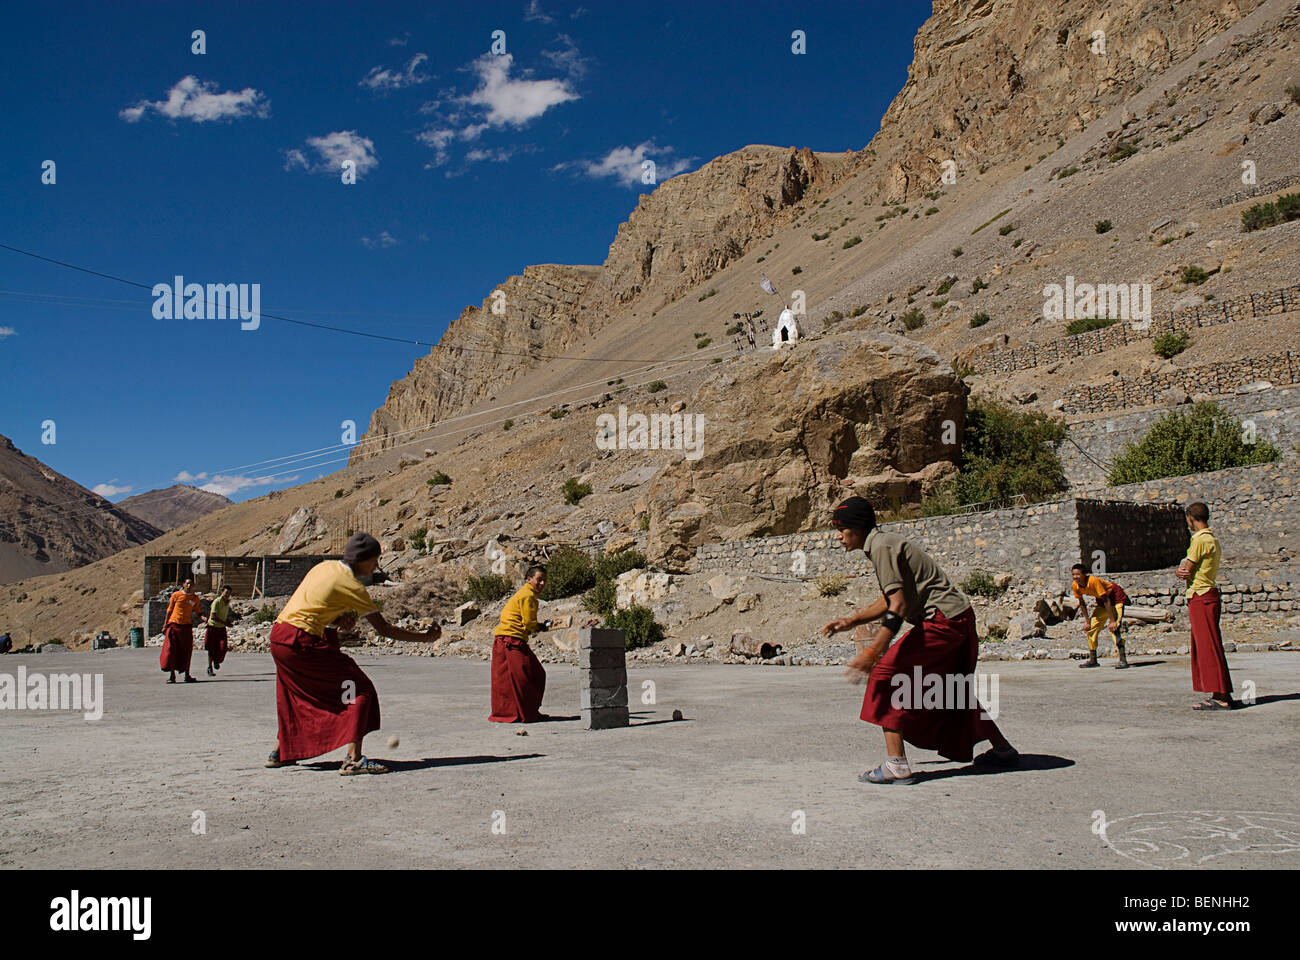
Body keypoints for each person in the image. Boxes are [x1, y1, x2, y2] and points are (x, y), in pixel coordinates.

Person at [822, 497, 1018, 784]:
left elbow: (898, 607)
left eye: (841, 528)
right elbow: (893, 597)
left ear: (857, 527)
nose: (837, 536)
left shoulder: (881, 547)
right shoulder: (882, 544)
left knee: (884, 678)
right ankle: (1003, 750)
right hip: (957, 617)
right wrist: (853, 621)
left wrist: (875, 651)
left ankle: (897, 764)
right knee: (953, 690)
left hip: (943, 621)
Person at [265, 532, 441, 775]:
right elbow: (384, 629)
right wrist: (425, 638)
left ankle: (280, 751)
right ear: (362, 559)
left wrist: (337, 618)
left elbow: (311, 604)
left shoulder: (323, 567)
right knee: (358, 688)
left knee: (295, 694)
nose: (376, 566)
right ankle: (353, 759)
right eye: (375, 560)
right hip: (301, 641)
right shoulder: (353, 586)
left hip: (279, 637)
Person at [1176, 502, 1234, 711]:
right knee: (1209, 645)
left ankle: (1220, 697)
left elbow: (1186, 569)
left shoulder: (1200, 540)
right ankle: (1220, 692)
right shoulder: (1212, 539)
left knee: (1208, 646)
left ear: (1190, 518)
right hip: (1206, 594)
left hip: (1200, 595)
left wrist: (1180, 571)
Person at [489, 565, 553, 723]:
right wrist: (543, 626)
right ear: (529, 579)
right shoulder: (528, 596)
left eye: (544, 580)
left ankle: (520, 712)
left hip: (508, 639)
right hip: (511, 640)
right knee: (531, 675)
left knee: (514, 677)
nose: (542, 583)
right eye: (539, 579)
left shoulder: (525, 594)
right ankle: (524, 713)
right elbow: (529, 624)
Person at [1069, 565, 1130, 669]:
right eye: (1073, 574)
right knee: (1092, 629)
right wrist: (1087, 622)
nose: (1075, 577)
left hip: (1114, 598)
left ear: (1084, 574)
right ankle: (1093, 660)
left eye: (1078, 574)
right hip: (1102, 601)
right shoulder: (1075, 585)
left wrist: (1112, 621)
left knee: (1114, 628)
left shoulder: (1093, 581)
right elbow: (1082, 603)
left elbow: (1107, 599)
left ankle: (1123, 660)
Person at [160, 579, 206, 684]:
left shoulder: (194, 598)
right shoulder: (176, 595)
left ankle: (187, 674)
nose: (189, 585)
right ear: (184, 585)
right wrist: (165, 625)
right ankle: (172, 676)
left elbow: (198, 610)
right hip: (174, 625)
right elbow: (169, 610)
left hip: (186, 627)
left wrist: (202, 617)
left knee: (186, 651)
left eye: (191, 584)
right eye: (187, 583)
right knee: (172, 651)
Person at [204, 585, 234, 676]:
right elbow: (213, 616)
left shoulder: (227, 602)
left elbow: (225, 613)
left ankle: (216, 660)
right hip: (213, 627)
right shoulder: (217, 602)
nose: (227, 595)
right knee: (211, 648)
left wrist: (230, 620)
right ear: (222, 592)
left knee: (223, 647)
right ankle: (210, 667)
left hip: (221, 628)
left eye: (229, 593)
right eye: (226, 593)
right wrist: (225, 623)